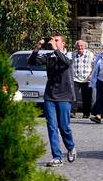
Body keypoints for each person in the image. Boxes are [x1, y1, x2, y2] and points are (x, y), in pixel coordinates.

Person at [30, 34, 76, 167]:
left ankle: (71, 147)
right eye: (53, 40)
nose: (53, 43)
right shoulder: (50, 57)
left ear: (63, 44)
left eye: (57, 41)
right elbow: (32, 62)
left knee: (64, 127)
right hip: (50, 95)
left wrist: (56, 49)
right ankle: (57, 157)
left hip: (64, 95)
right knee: (51, 127)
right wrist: (37, 48)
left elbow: (67, 63)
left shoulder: (69, 55)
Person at [70, 38, 94, 119]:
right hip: (75, 78)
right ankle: (73, 112)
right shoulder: (73, 54)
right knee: (74, 96)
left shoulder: (90, 54)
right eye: (78, 46)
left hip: (86, 78)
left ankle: (86, 113)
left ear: (85, 46)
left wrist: (91, 75)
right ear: (76, 47)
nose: (80, 47)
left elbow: (94, 66)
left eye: (81, 46)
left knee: (86, 97)